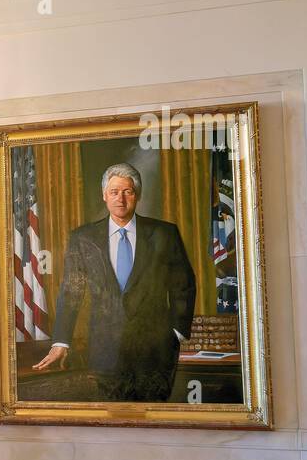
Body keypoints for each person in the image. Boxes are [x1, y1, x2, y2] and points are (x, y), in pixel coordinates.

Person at [32, 162, 195, 402]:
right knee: (112, 423)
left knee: (155, 421)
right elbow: (71, 292)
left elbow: (184, 284)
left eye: (127, 191)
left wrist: (176, 332)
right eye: (114, 192)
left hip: (156, 351)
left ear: (136, 195)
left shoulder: (164, 233)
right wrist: (61, 341)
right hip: (104, 353)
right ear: (104, 196)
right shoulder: (83, 238)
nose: (120, 198)